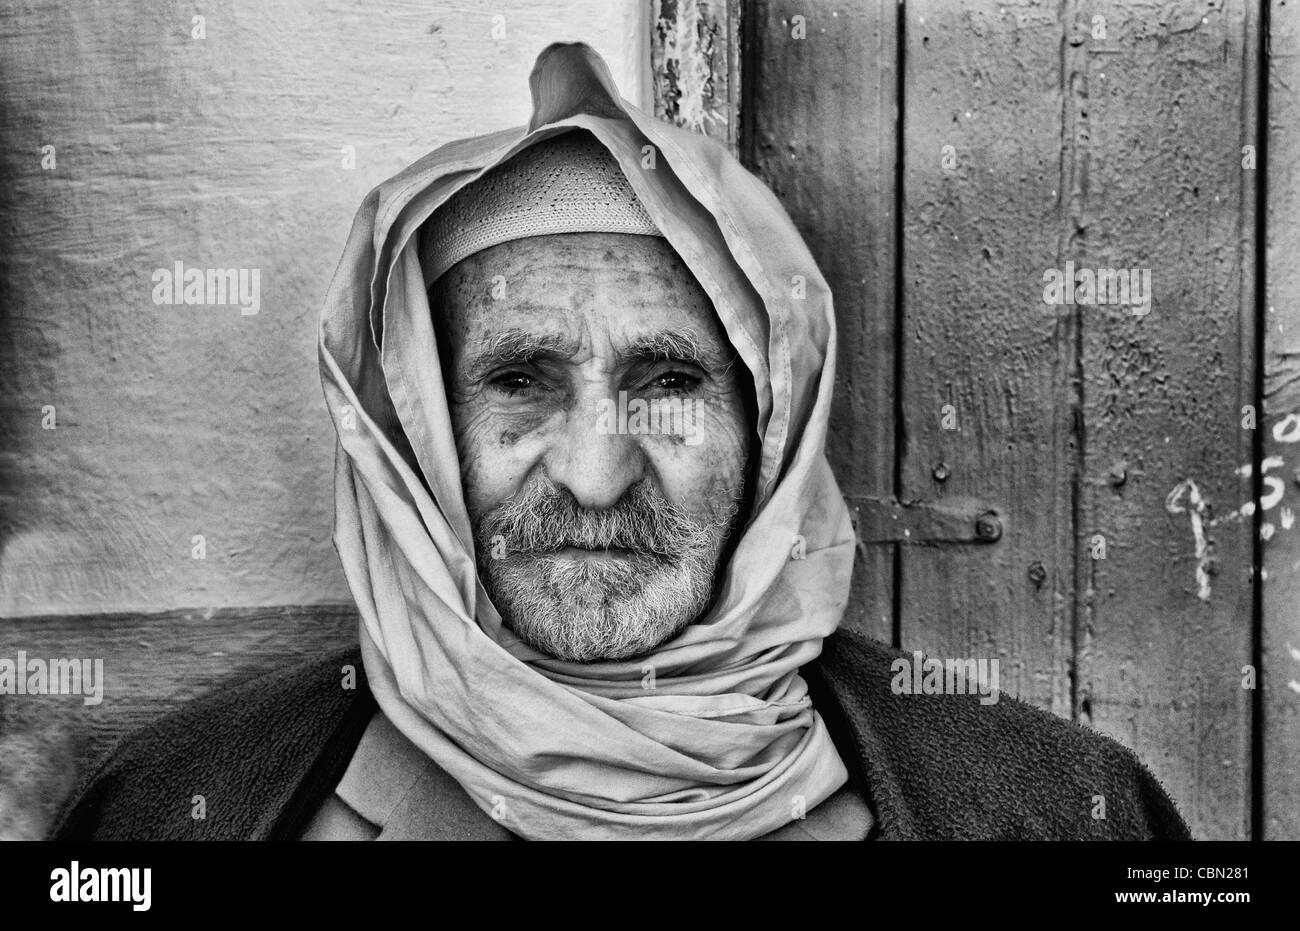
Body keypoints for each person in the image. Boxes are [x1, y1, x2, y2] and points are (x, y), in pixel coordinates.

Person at [52, 43, 1190, 841]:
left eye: (668, 381)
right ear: (416, 440)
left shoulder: (1052, 812)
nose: (596, 474)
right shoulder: (174, 812)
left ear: (773, 433)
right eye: (516, 379)